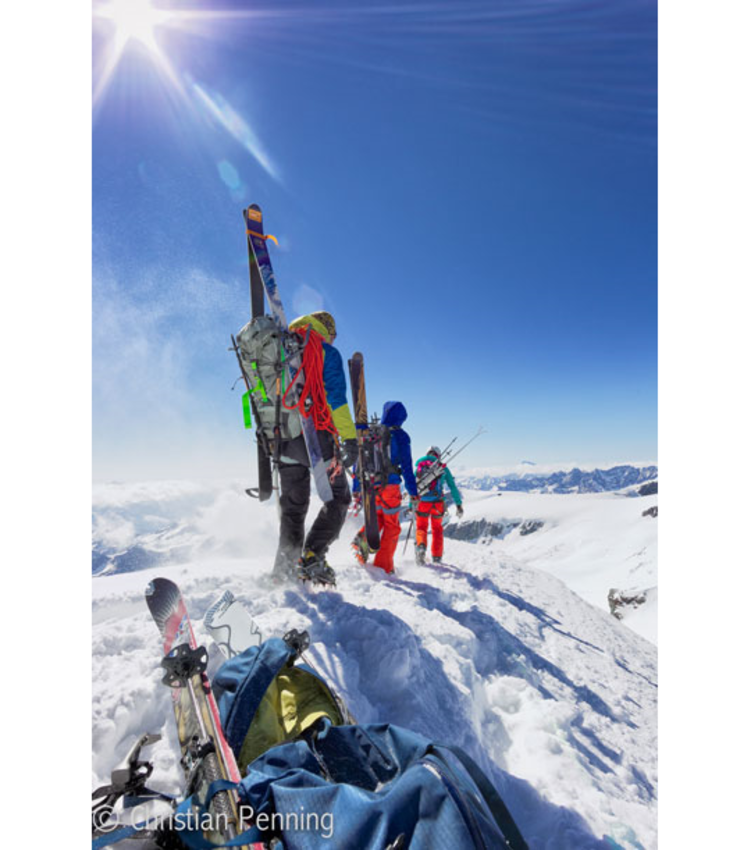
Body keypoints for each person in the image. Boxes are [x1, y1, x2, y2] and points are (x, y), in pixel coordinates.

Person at [272, 311, 359, 583]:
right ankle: (312, 557)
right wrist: (350, 438)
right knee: (339, 498)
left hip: (282, 440)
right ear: (327, 328)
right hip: (315, 437)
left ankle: (284, 572)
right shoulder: (324, 352)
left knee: (294, 508)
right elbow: (336, 399)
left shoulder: (280, 350)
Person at [352, 401, 418, 574]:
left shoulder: (370, 434)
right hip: (390, 487)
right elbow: (407, 467)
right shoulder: (401, 436)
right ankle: (383, 567)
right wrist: (413, 492)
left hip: (371, 486)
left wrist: (356, 487)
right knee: (392, 526)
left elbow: (358, 461)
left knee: (378, 518)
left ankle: (362, 541)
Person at [413, 446, 464, 565]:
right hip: (437, 503)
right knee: (437, 530)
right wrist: (458, 504)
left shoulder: (419, 468)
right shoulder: (443, 468)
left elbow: (414, 488)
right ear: (438, 455)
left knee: (421, 528)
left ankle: (421, 546)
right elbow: (452, 487)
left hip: (422, 503)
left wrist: (412, 504)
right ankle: (436, 557)